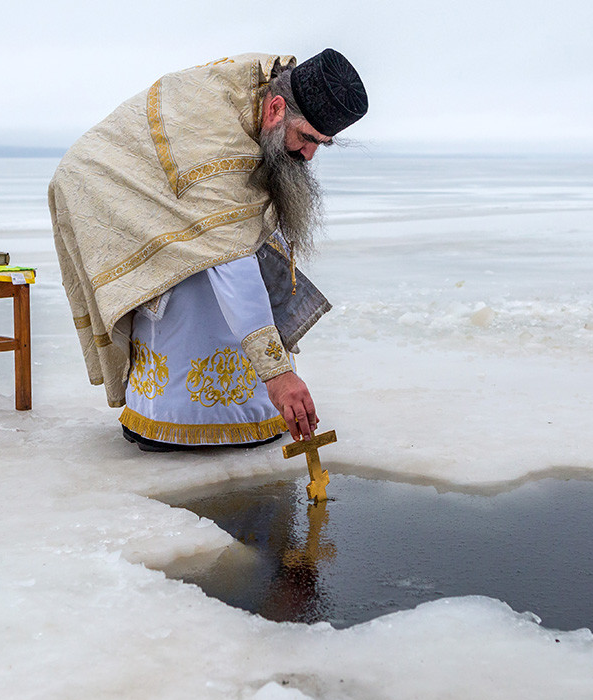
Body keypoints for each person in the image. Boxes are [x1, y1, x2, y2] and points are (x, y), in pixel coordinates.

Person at [49, 50, 367, 451]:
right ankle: (176, 418)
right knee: (202, 269)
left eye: (321, 144)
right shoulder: (217, 147)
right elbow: (230, 259)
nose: (309, 155)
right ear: (275, 109)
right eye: (305, 138)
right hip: (107, 183)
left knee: (236, 244)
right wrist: (279, 375)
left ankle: (251, 410)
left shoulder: (268, 81)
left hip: (180, 173)